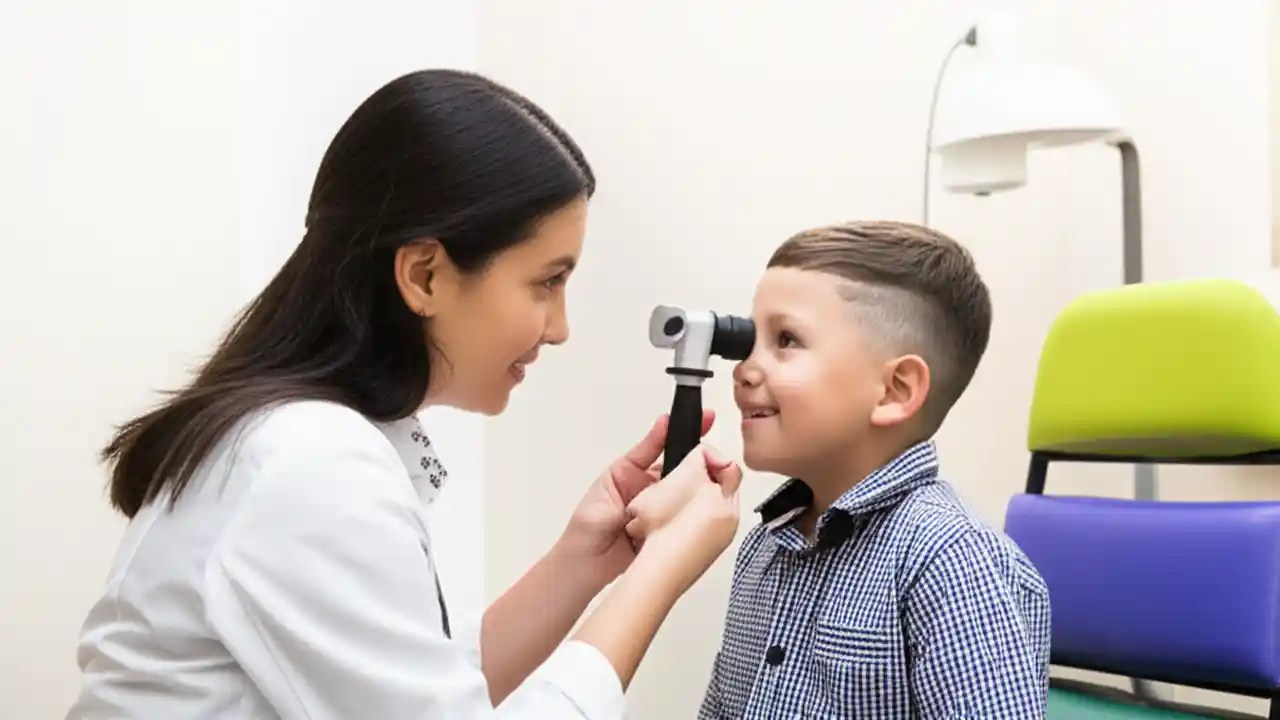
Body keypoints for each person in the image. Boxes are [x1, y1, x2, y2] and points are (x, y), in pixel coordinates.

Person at [67, 69, 743, 720]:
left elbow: (414, 690)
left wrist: (583, 563)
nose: (560, 329)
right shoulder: (308, 465)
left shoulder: (299, 443)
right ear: (424, 275)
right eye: (546, 282)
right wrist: (656, 575)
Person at [690, 221, 1052, 718]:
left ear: (895, 390)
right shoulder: (764, 547)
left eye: (787, 340)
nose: (745, 369)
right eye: (754, 341)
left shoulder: (952, 563)